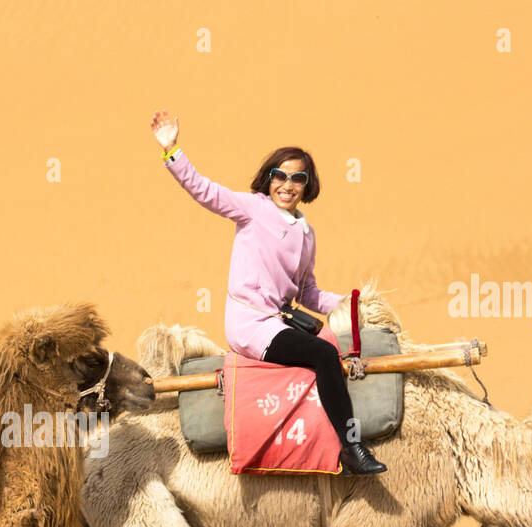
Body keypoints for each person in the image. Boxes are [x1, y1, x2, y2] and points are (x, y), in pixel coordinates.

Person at [150, 110, 385, 475]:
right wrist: (171, 150)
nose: (287, 185)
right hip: (249, 324)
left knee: (330, 343)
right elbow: (204, 190)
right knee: (322, 355)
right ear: (269, 178)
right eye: (280, 175)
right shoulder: (252, 208)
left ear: (307, 186)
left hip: (279, 321)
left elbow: (307, 293)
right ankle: (352, 446)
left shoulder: (307, 235)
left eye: (297, 178)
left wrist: (352, 303)